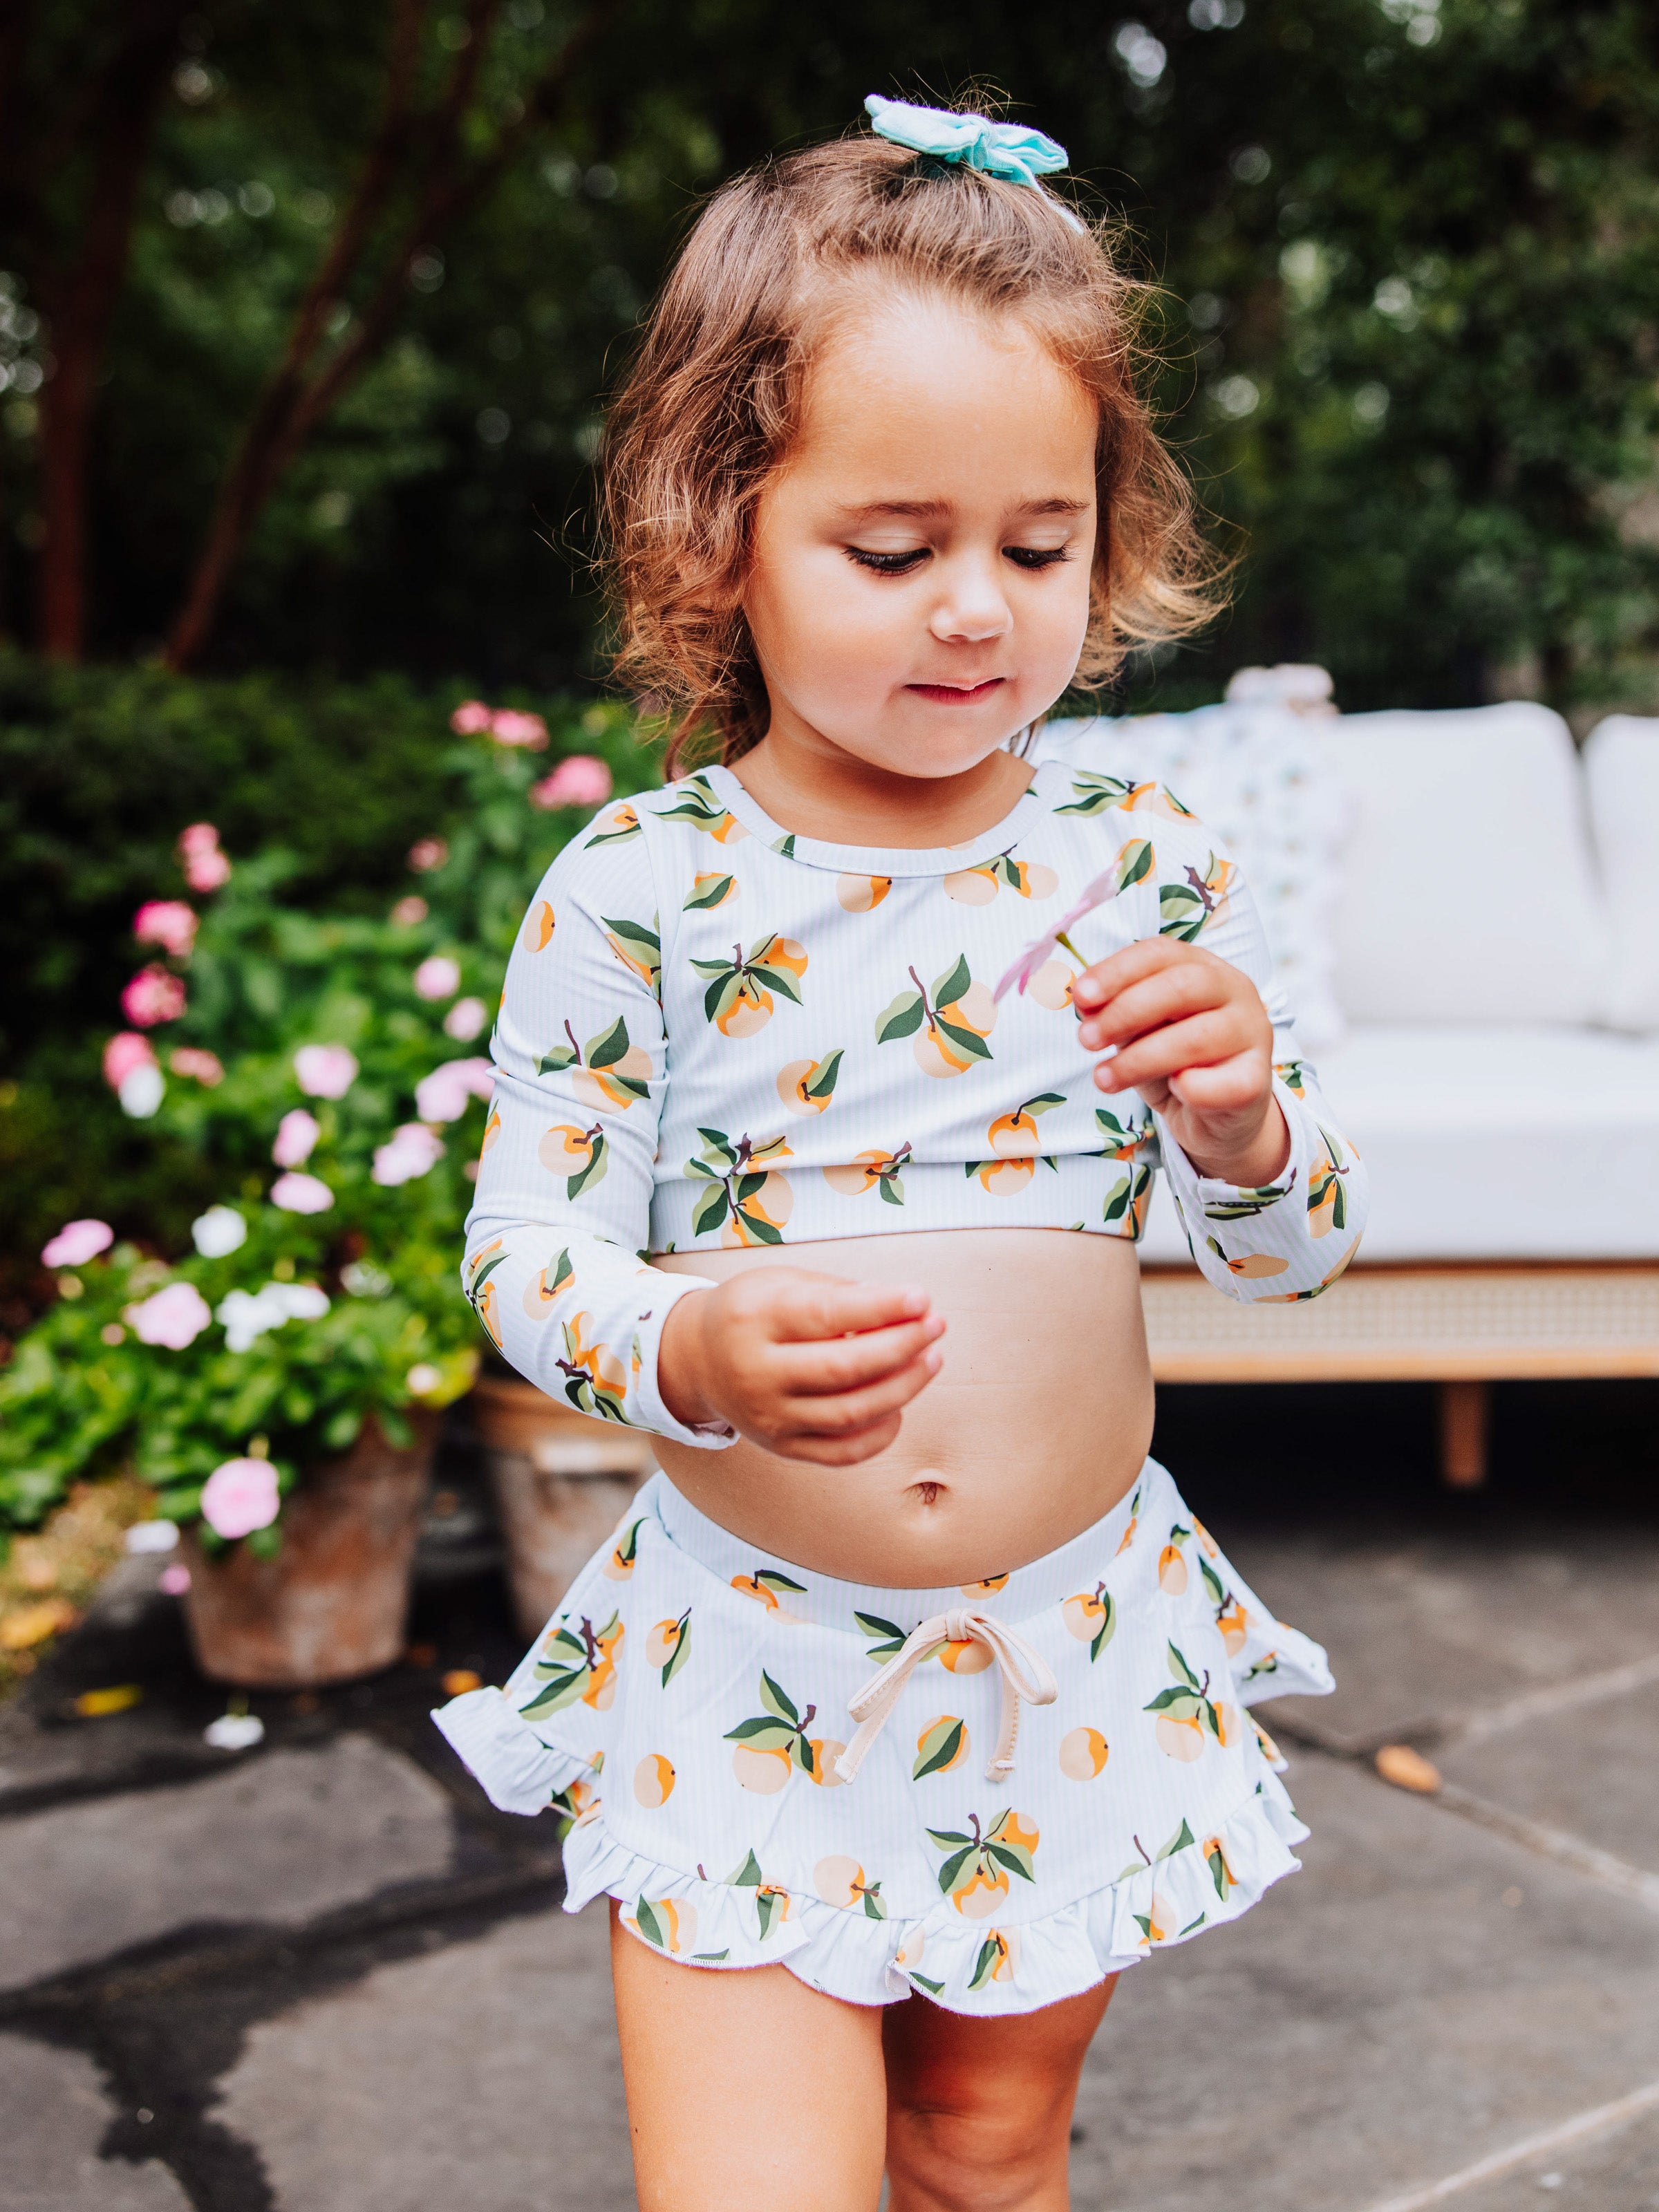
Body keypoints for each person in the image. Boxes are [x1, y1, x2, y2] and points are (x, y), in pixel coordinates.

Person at [436, 94, 1365, 2212]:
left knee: (987, 2147)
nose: (976, 612)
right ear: (719, 530)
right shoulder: (646, 888)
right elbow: (524, 1249)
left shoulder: (1140, 855)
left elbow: (1294, 1253)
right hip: (755, 1678)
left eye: (1037, 548)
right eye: (892, 550)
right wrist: (687, 1350)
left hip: (1072, 1657)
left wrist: (1244, 1117)